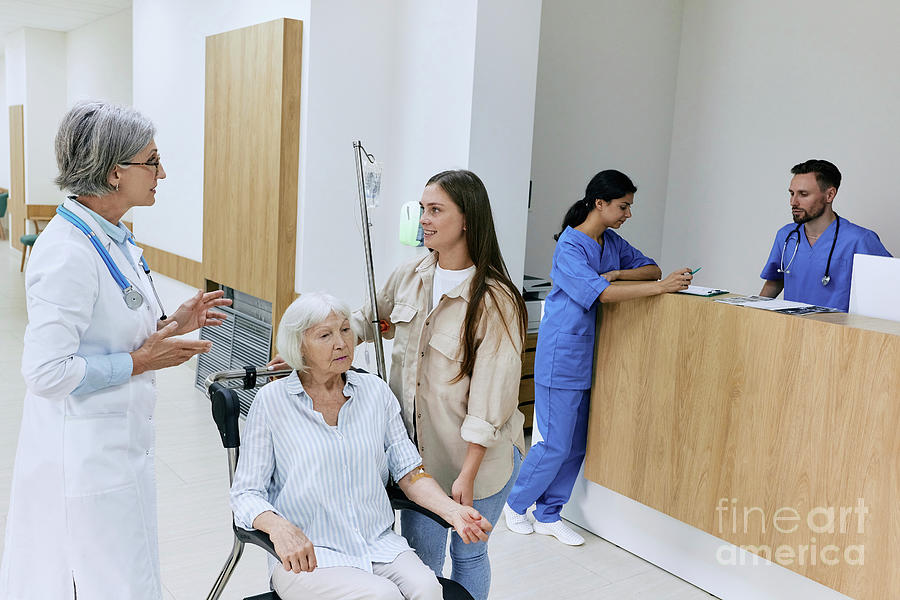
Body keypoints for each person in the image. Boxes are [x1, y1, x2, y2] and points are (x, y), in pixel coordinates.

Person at [0, 101, 232, 599]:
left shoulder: (114, 239)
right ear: (114, 171)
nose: (161, 173)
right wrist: (140, 362)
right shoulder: (67, 252)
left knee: (129, 573)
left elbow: (118, 331)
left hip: (117, 446)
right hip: (83, 454)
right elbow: (44, 373)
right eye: (152, 161)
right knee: (103, 581)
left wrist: (174, 322)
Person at [231, 293, 492, 600]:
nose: (341, 343)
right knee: (382, 596)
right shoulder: (272, 403)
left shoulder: (375, 393)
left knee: (428, 591)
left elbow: (409, 472)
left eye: (344, 330)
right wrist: (278, 528)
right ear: (299, 345)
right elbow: (245, 493)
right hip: (311, 556)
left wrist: (453, 511)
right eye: (325, 335)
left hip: (379, 544)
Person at [351, 170, 527, 600]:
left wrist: (467, 474)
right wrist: (308, 348)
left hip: (477, 461)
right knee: (418, 559)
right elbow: (364, 320)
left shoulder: (495, 301)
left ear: (467, 219)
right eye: (423, 209)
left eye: (435, 210)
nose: (424, 219)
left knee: (467, 555)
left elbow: (491, 404)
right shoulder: (410, 274)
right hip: (419, 459)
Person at [503, 169, 693, 545]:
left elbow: (649, 267)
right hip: (562, 354)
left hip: (590, 356)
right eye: (623, 206)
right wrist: (660, 288)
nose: (628, 213)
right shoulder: (570, 248)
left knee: (576, 445)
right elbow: (603, 294)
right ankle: (515, 504)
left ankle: (549, 513)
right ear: (599, 203)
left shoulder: (611, 241)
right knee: (555, 442)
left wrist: (620, 272)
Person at [759, 159, 891, 311]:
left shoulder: (859, 240)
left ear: (829, 195)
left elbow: (887, 290)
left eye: (803, 194)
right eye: (792, 193)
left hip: (838, 332)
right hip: (793, 329)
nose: (793, 202)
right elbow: (775, 281)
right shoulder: (786, 236)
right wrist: (752, 313)